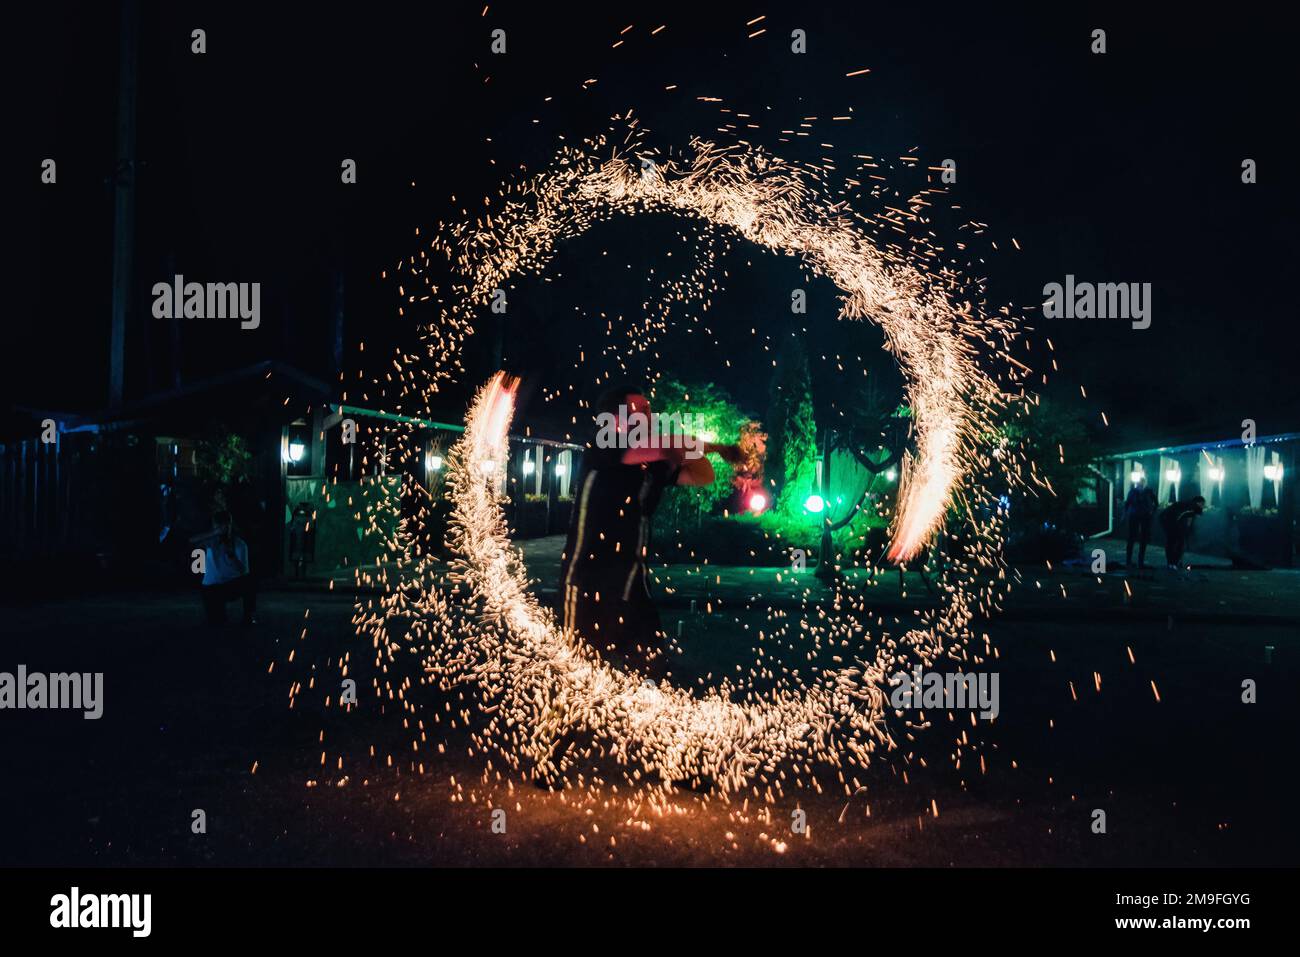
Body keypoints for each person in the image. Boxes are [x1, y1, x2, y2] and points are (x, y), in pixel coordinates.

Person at [558, 384, 743, 680]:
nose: (650, 415)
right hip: (589, 582)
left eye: (649, 409)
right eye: (640, 410)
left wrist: (684, 451)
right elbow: (666, 445)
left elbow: (703, 475)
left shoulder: (651, 467)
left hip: (633, 581)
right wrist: (714, 447)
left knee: (651, 664)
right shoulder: (603, 447)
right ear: (616, 420)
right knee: (576, 670)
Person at [198, 510, 257, 625]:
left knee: (250, 582)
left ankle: (248, 617)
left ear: (230, 526)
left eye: (225, 527)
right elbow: (191, 541)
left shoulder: (240, 544)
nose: (222, 531)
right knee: (217, 622)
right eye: (218, 527)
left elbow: (244, 571)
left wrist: (232, 556)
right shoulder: (210, 542)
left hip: (231, 584)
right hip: (212, 587)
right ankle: (216, 613)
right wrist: (213, 534)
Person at [1159, 495, 1206, 570]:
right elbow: (1182, 519)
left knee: (1174, 543)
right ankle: (1173, 563)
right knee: (1175, 543)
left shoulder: (1188, 506)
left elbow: (1186, 520)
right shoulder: (1190, 508)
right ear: (1198, 503)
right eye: (1203, 504)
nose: (1203, 507)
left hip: (1170, 522)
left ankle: (1172, 563)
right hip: (1171, 523)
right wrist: (1181, 529)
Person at [1123, 475, 1158, 569]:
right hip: (1137, 515)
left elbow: (1156, 503)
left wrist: (1151, 511)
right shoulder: (1136, 491)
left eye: (1142, 482)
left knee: (1140, 538)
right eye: (1140, 482)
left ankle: (1136, 561)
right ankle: (1132, 561)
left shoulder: (1146, 491)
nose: (1141, 484)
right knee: (1134, 538)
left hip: (1142, 516)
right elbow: (1128, 503)